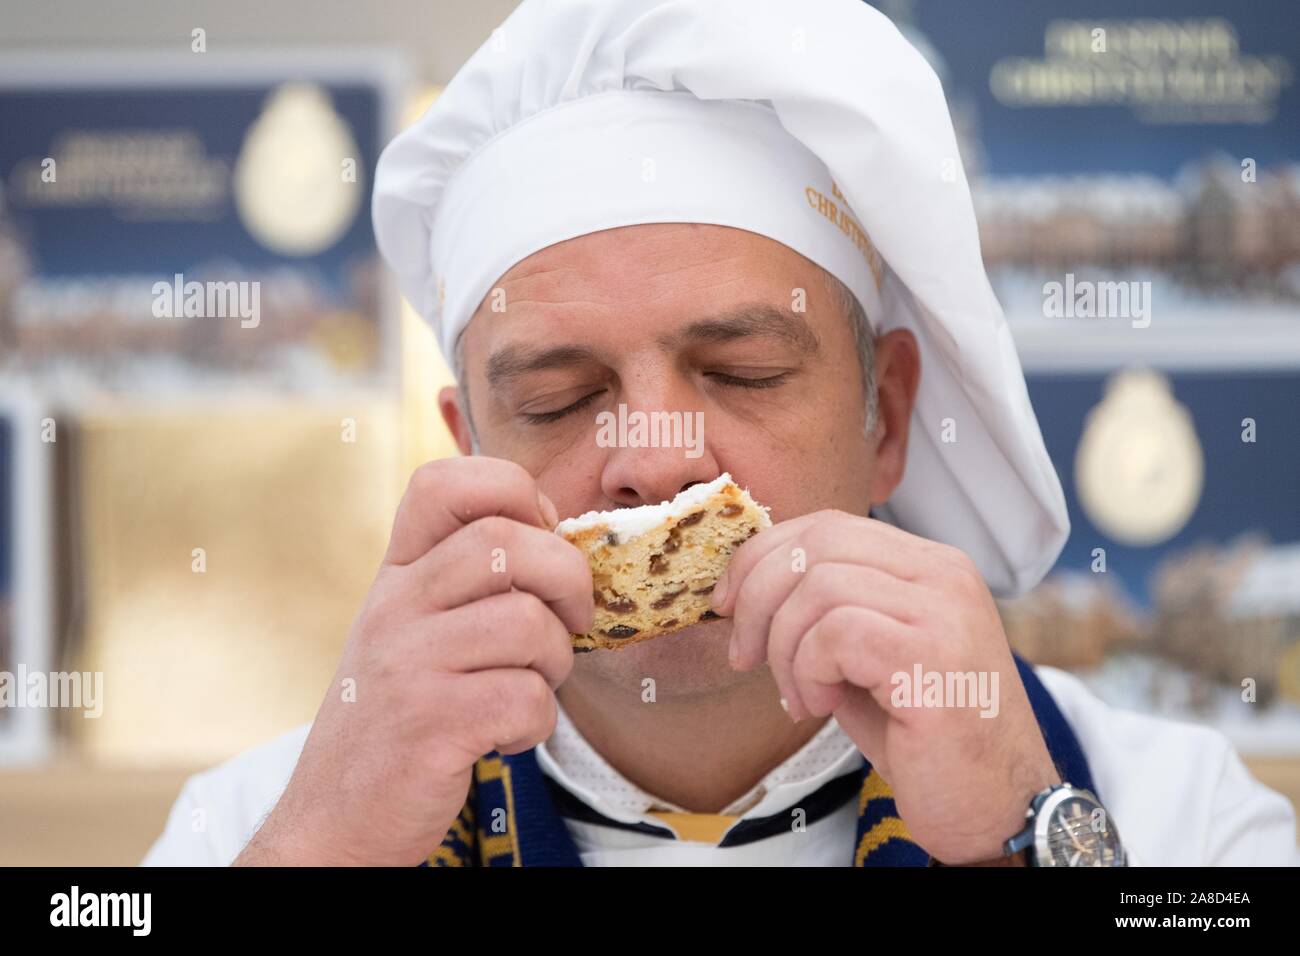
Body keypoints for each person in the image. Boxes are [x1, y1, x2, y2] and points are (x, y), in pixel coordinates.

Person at [143, 0, 1297, 867]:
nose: (654, 458)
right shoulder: (249, 825)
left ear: (884, 413)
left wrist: (1023, 825)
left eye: (740, 371)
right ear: (470, 452)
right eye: (556, 395)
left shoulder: (1175, 814)